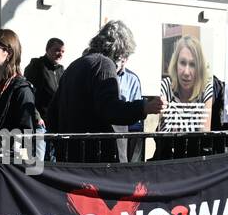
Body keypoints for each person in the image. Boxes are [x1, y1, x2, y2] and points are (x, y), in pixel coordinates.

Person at [48, 21, 163, 162]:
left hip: (70, 157)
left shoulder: (75, 65)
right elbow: (110, 109)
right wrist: (144, 107)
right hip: (96, 159)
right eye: (125, 56)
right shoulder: (104, 64)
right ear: (120, 51)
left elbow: (52, 113)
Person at [155, 31, 212, 159]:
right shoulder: (166, 86)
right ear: (176, 63)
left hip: (197, 163)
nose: (186, 72)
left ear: (200, 67)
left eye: (192, 64)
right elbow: (163, 134)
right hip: (169, 161)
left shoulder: (206, 88)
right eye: (182, 63)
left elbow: (205, 133)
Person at [23, 38, 65, 117]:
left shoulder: (61, 70)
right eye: (57, 50)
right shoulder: (36, 66)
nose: (61, 54)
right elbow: (28, 94)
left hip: (57, 117)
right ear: (47, 50)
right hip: (41, 119)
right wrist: (36, 116)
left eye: (63, 51)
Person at [115, 56, 145, 163]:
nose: (118, 63)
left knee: (129, 164)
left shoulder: (132, 78)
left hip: (129, 128)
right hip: (111, 129)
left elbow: (136, 106)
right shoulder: (105, 75)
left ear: (126, 60)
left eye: (121, 60)